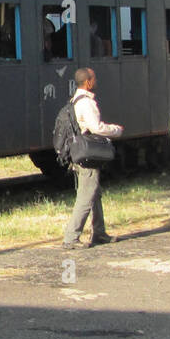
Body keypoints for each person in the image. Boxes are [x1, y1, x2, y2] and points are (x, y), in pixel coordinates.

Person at [63, 67, 124, 248]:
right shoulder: (86, 103)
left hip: (80, 153)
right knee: (86, 195)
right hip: (88, 155)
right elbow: (96, 127)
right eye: (94, 78)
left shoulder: (74, 100)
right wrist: (115, 130)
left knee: (94, 193)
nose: (96, 81)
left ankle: (99, 232)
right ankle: (71, 237)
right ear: (88, 82)